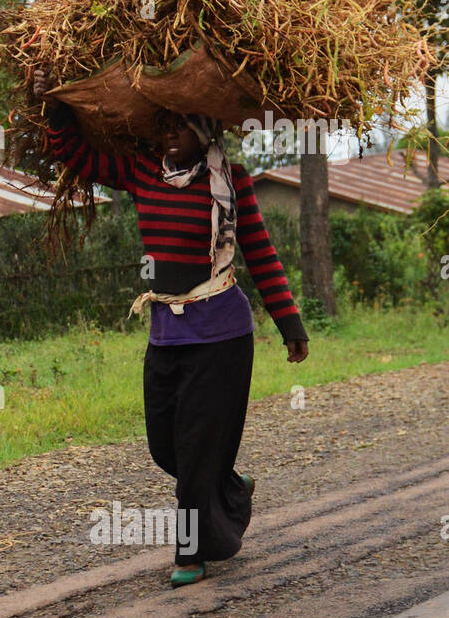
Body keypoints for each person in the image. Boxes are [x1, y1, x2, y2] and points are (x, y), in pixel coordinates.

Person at [31, 68, 309, 586]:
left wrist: (289, 321)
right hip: (166, 333)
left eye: (180, 125)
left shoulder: (232, 182)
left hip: (222, 336)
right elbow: (76, 158)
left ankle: (191, 554)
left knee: (197, 453)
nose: (169, 134)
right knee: (166, 446)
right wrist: (54, 106)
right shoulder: (141, 172)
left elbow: (261, 253)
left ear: (204, 129)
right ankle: (231, 487)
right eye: (162, 125)